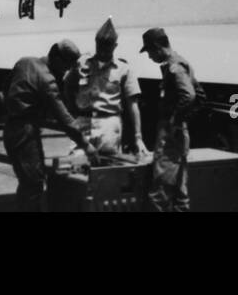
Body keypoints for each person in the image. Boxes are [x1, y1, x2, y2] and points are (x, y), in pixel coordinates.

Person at [3, 40, 94, 212]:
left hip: (10, 127)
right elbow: (64, 119)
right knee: (34, 182)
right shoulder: (47, 80)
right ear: (58, 59)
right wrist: (85, 144)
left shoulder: (24, 61)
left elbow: (6, 87)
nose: (66, 70)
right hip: (25, 132)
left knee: (26, 181)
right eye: (66, 65)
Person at [68, 17, 145, 157]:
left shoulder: (124, 69)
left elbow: (132, 104)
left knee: (107, 170)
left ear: (115, 46)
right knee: (76, 170)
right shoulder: (82, 63)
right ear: (96, 43)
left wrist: (138, 137)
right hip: (82, 122)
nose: (102, 52)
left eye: (107, 48)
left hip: (109, 124)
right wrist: (72, 114)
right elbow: (68, 86)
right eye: (100, 47)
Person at [141, 27, 197, 212]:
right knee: (180, 192)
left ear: (157, 47)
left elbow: (188, 96)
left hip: (170, 134)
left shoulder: (174, 67)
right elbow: (200, 95)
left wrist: (175, 121)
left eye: (149, 51)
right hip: (179, 132)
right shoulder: (182, 63)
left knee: (160, 192)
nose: (149, 56)